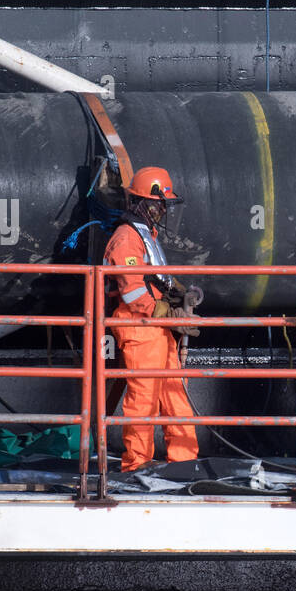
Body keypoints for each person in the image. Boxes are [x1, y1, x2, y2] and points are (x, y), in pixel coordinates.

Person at [104, 165, 201, 471]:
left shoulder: (145, 235)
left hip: (157, 329)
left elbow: (155, 279)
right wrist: (163, 311)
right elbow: (132, 291)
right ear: (146, 203)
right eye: (160, 205)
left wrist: (179, 296)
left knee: (174, 395)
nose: (163, 211)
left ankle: (184, 462)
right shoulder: (126, 238)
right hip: (140, 327)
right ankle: (136, 465)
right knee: (143, 399)